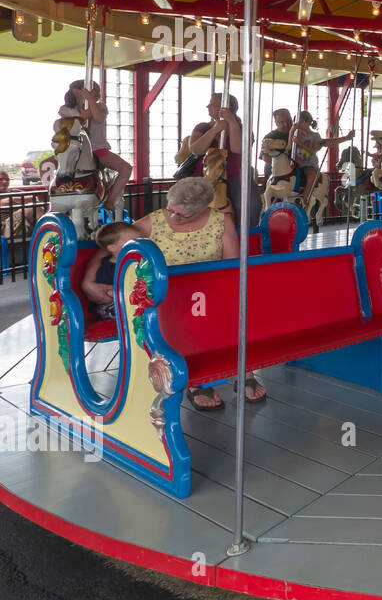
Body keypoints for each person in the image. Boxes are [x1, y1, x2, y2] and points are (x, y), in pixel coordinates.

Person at [132, 177, 264, 410]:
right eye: (170, 209)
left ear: (202, 209)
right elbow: (122, 245)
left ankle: (240, 367)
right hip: (170, 294)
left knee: (236, 310)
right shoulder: (153, 222)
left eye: (182, 214)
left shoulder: (220, 221)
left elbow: (231, 265)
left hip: (209, 288)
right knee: (193, 318)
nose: (173, 217)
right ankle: (197, 377)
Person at [188, 93, 256, 232]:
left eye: (213, 103)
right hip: (206, 174)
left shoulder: (244, 128)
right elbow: (196, 149)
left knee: (250, 203)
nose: (208, 106)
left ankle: (245, 232)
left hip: (234, 173)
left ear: (226, 106)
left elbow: (238, 148)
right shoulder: (202, 127)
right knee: (186, 201)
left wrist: (231, 122)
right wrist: (215, 130)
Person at [68, 80, 133, 211]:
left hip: (98, 150)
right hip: (76, 150)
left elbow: (99, 118)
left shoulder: (101, 107)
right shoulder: (68, 109)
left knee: (126, 168)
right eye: (94, 90)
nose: (97, 93)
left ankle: (110, 201)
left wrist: (90, 99)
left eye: (98, 90)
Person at [80, 221, 142, 321]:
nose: (139, 245)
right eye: (133, 242)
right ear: (112, 248)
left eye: (140, 240)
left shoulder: (136, 262)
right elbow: (108, 293)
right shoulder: (108, 268)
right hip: (110, 305)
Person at [289, 110, 353, 204]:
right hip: (296, 163)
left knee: (311, 176)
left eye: (300, 122)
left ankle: (304, 199)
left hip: (308, 164)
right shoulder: (296, 134)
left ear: (307, 122)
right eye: (296, 122)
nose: (298, 124)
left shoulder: (315, 136)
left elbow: (313, 151)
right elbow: (289, 146)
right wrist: (291, 131)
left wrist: (300, 143)